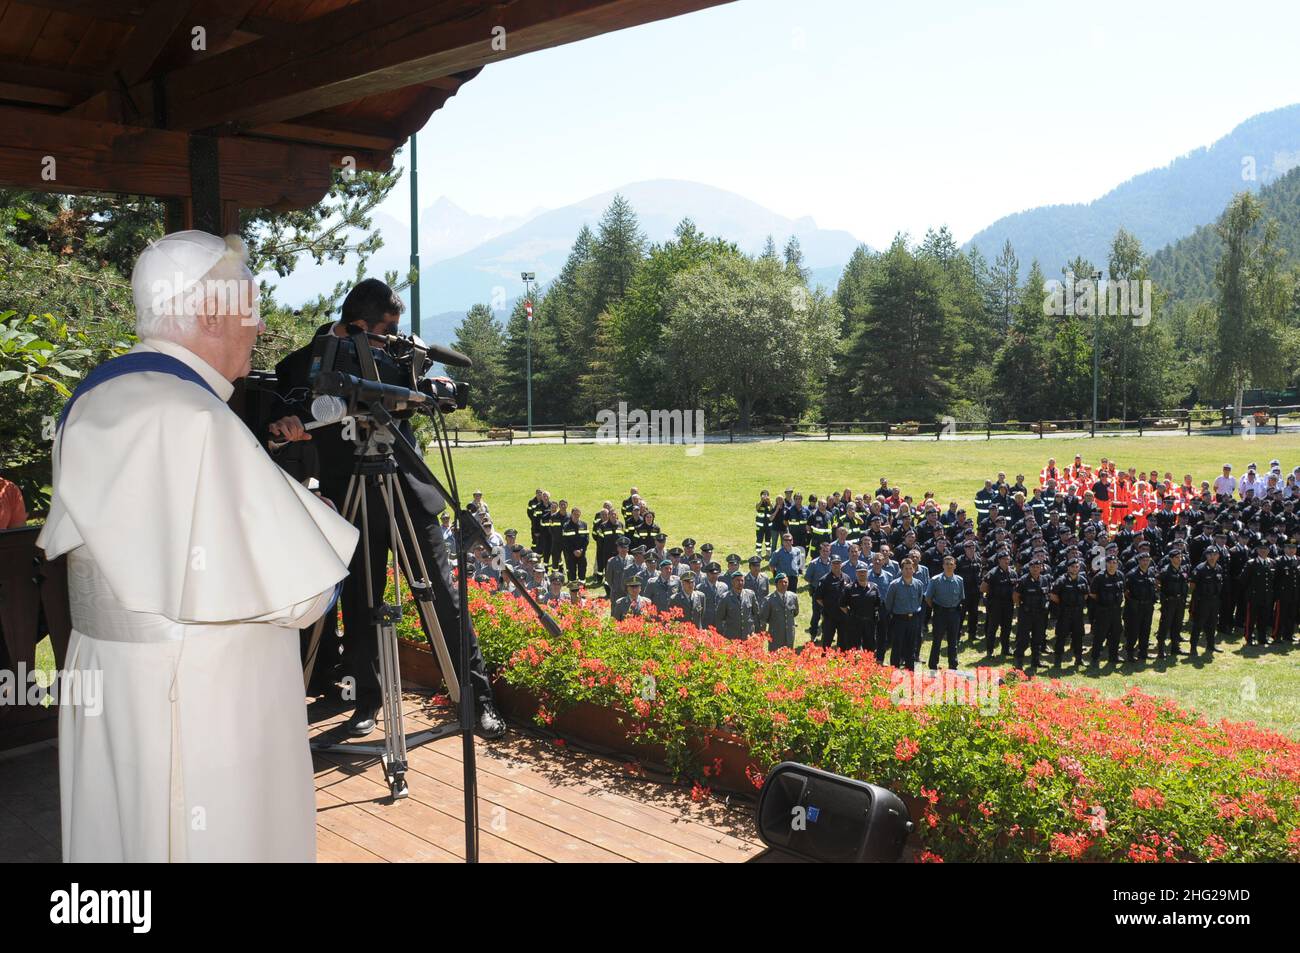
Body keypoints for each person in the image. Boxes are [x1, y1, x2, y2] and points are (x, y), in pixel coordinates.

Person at [38, 231, 360, 862]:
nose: (261, 323)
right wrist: (307, 531)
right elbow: (300, 596)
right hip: (199, 696)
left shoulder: (94, 399)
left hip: (114, 680)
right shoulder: (194, 417)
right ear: (211, 312)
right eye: (251, 304)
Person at [269, 277, 504, 740]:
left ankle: (478, 700)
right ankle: (365, 701)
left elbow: (420, 392)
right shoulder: (309, 362)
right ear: (356, 325)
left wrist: (428, 383)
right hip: (352, 497)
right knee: (362, 604)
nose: (395, 337)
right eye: (387, 328)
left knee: (444, 595)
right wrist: (291, 424)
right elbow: (287, 398)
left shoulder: (396, 355)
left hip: (408, 493)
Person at [883, 558, 926, 668]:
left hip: (913, 619)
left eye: (910, 568)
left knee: (912, 645)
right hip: (899, 619)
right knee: (897, 645)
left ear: (914, 569)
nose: (908, 571)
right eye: (906, 568)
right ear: (901, 570)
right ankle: (894, 669)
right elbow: (889, 604)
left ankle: (910, 670)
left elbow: (919, 600)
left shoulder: (918, 584)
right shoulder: (895, 585)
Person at [926, 555, 964, 670]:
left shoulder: (959, 580)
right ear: (943, 565)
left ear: (955, 566)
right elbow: (928, 598)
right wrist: (936, 608)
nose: (949, 566)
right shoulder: (935, 580)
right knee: (937, 640)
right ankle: (933, 665)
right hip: (940, 614)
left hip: (954, 614)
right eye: (946, 564)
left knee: (953, 641)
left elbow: (961, 597)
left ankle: (953, 664)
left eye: (951, 564)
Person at [1051, 557, 1089, 666]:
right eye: (1073, 567)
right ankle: (1058, 660)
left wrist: (1078, 604)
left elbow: (1086, 594)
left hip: (1078, 613)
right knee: (1061, 636)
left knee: (1078, 636)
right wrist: (1064, 604)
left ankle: (1078, 659)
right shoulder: (1061, 580)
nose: (1075, 569)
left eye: (1077, 567)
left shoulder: (1083, 579)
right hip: (1065, 613)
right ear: (1068, 568)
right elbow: (1053, 595)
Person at [1089, 554, 1126, 666]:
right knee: (1100, 635)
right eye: (1110, 563)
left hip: (1116, 611)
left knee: (1116, 633)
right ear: (1106, 564)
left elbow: (1123, 590)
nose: (1112, 565)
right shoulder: (1099, 577)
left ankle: (1113, 656)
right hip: (1103, 611)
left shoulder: (1120, 575)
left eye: (1114, 563)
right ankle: (1095, 657)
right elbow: (1093, 594)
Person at [1188, 548, 1225, 657]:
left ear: (1218, 556)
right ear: (1206, 556)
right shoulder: (1200, 568)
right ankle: (1193, 648)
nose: (1212, 556)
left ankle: (1211, 645)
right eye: (1210, 554)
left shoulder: (1219, 568)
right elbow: (1192, 585)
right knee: (1198, 625)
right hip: (1202, 601)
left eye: (1215, 554)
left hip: (1214, 601)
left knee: (1212, 624)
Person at [1156, 549, 1189, 658]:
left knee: (1177, 624)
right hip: (1169, 602)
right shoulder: (1165, 571)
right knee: (1165, 625)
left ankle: (1175, 647)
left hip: (1180, 602)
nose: (1179, 559)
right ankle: (1161, 649)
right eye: (1176, 557)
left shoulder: (1183, 569)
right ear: (1171, 558)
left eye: (1180, 557)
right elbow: (1157, 582)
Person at [759, 572, 799, 651]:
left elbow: (795, 612)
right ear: (776, 584)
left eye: (785, 582)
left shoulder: (793, 597)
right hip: (776, 636)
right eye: (781, 582)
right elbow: (764, 618)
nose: (784, 584)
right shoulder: (769, 600)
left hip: (789, 635)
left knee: (789, 658)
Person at [716, 571, 758, 639]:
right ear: (732, 582)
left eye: (742, 580)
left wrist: (755, 632)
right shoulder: (725, 597)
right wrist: (722, 635)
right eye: (737, 580)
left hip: (748, 636)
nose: (740, 583)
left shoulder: (750, 595)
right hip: (732, 637)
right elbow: (719, 618)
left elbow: (756, 614)